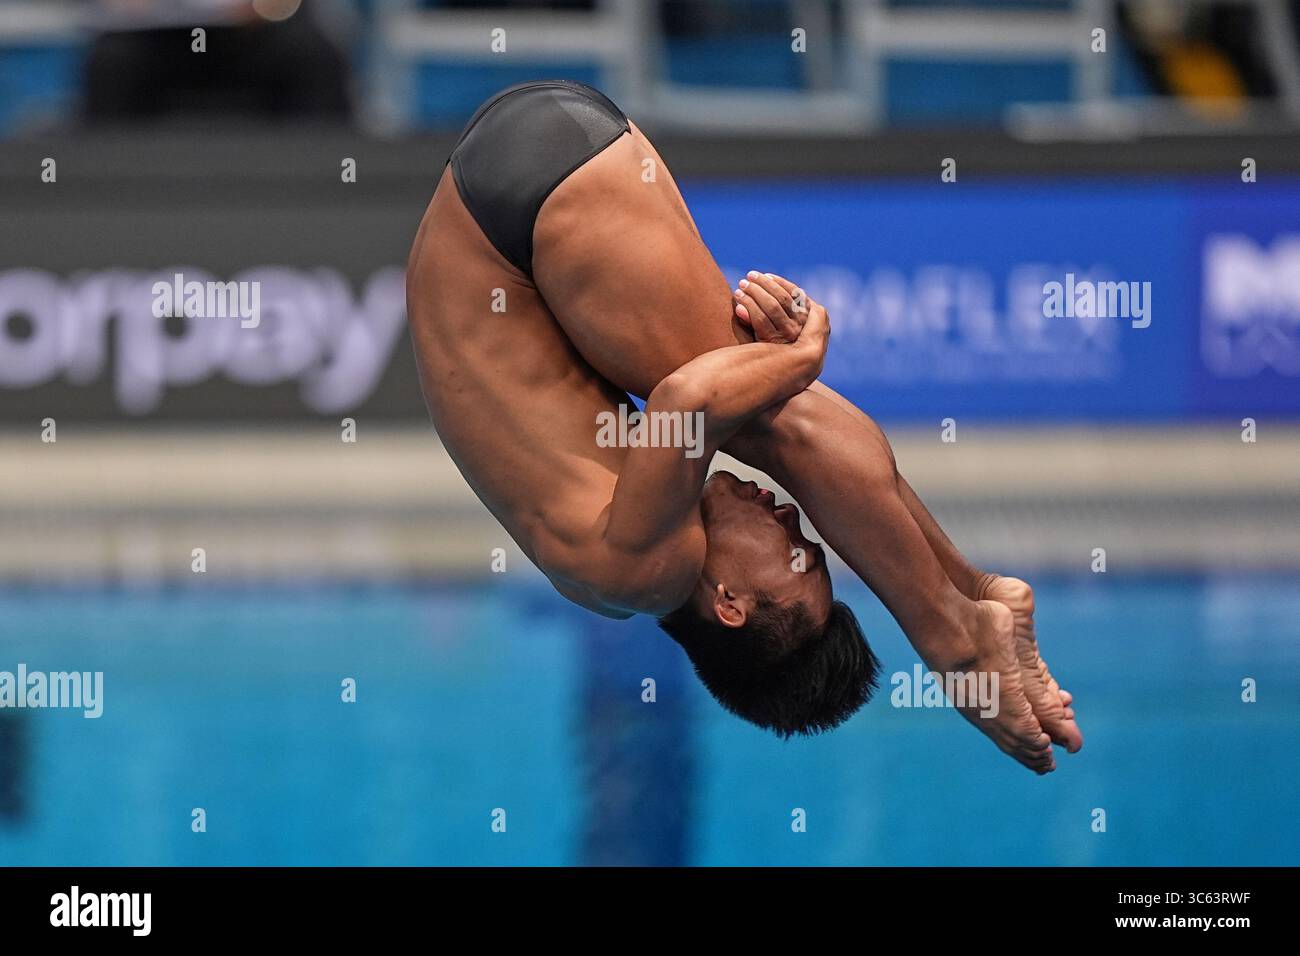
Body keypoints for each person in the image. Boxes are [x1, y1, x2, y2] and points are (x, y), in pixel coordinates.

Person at [406, 81, 1082, 771]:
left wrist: (801, 357)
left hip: (526, 195)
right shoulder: (627, 580)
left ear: (729, 604)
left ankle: (955, 639)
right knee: (771, 422)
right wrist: (776, 368)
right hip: (522, 179)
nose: (795, 522)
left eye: (798, 558)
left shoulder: (648, 570)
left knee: (775, 424)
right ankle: (971, 594)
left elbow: (685, 404)